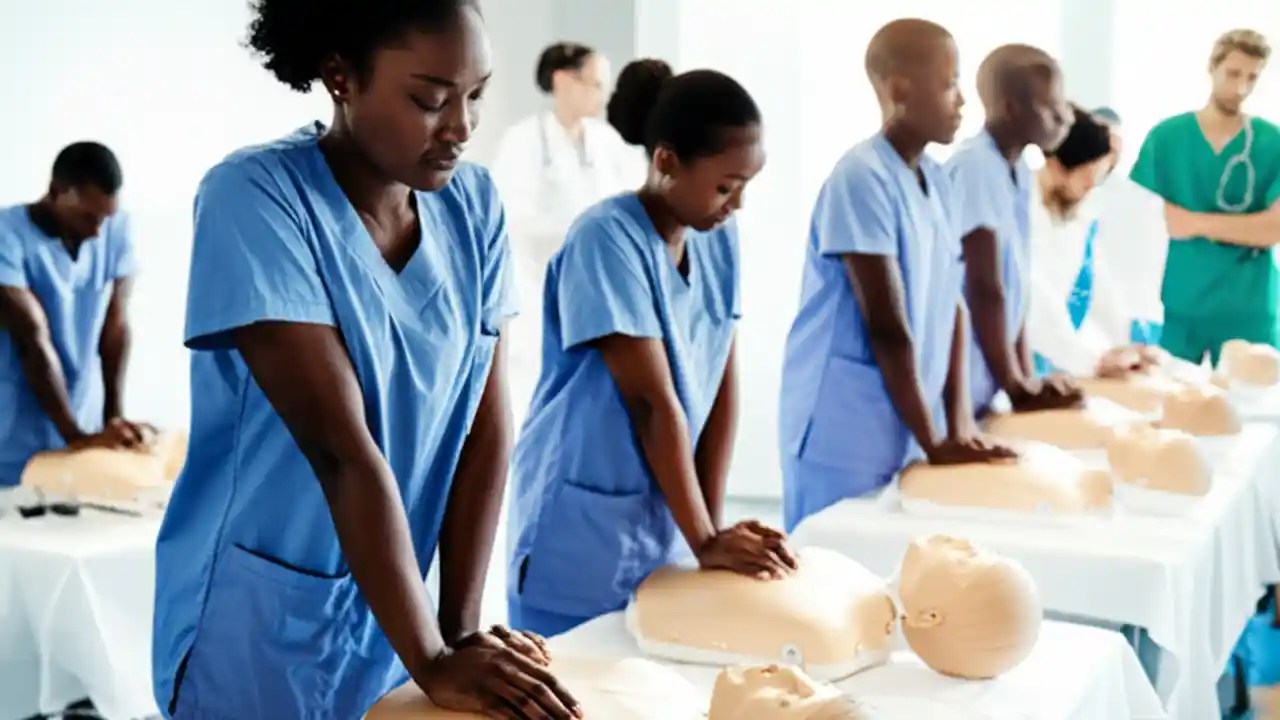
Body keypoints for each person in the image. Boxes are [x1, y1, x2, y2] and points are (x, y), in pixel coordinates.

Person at [151, 2, 582, 719]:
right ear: (339, 77)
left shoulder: (472, 205)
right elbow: (341, 451)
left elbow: (485, 427)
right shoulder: (257, 199)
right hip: (260, 620)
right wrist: (437, 660)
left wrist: (459, 631)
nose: (462, 128)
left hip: (395, 616)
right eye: (430, 99)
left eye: (475, 95)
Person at [506, 59, 796, 639]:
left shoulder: (717, 239)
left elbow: (718, 386)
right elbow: (650, 403)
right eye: (725, 186)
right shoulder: (605, 239)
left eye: (745, 187)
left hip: (660, 517)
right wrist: (706, 539)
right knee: (576, 684)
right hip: (578, 525)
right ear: (666, 161)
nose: (735, 205)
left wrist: (708, 531)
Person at [778, 18, 1015, 533]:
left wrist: (955, 426)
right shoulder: (861, 178)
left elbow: (953, 304)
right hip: (844, 425)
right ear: (900, 89)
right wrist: (934, 439)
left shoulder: (934, 177)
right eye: (950, 83)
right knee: (829, 571)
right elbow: (885, 322)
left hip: (905, 419)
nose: (962, 101)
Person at [0, 142, 152, 488]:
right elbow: (31, 340)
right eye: (88, 217)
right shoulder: (6, 238)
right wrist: (76, 437)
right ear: (57, 193)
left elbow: (114, 328)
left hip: (78, 440)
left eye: (105, 218)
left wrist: (113, 419)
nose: (98, 231)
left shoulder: (114, 228)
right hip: (11, 444)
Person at [944, 44, 1081, 415]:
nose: (1065, 117)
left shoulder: (1017, 169)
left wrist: (1027, 379)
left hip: (986, 380)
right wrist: (1017, 386)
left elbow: (1013, 292)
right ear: (1009, 108)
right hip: (956, 379)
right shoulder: (975, 167)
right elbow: (985, 288)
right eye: (1050, 107)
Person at [1132, 29, 1280, 365]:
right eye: (1233, 73)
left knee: (1250, 410)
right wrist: (1245, 227)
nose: (1241, 88)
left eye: (1252, 78)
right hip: (1178, 303)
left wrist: (1193, 222)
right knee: (1168, 405)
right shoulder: (1166, 138)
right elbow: (1145, 223)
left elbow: (1275, 229)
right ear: (1211, 68)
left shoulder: (1272, 142)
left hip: (1248, 307)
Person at [1026, 106, 1161, 377]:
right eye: (1087, 179)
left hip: (1053, 352)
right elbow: (1034, 304)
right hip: (1022, 350)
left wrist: (1132, 345)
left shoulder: (1075, 217)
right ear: (1055, 167)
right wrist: (1093, 361)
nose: (1090, 189)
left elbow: (1100, 289)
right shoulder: (1020, 216)